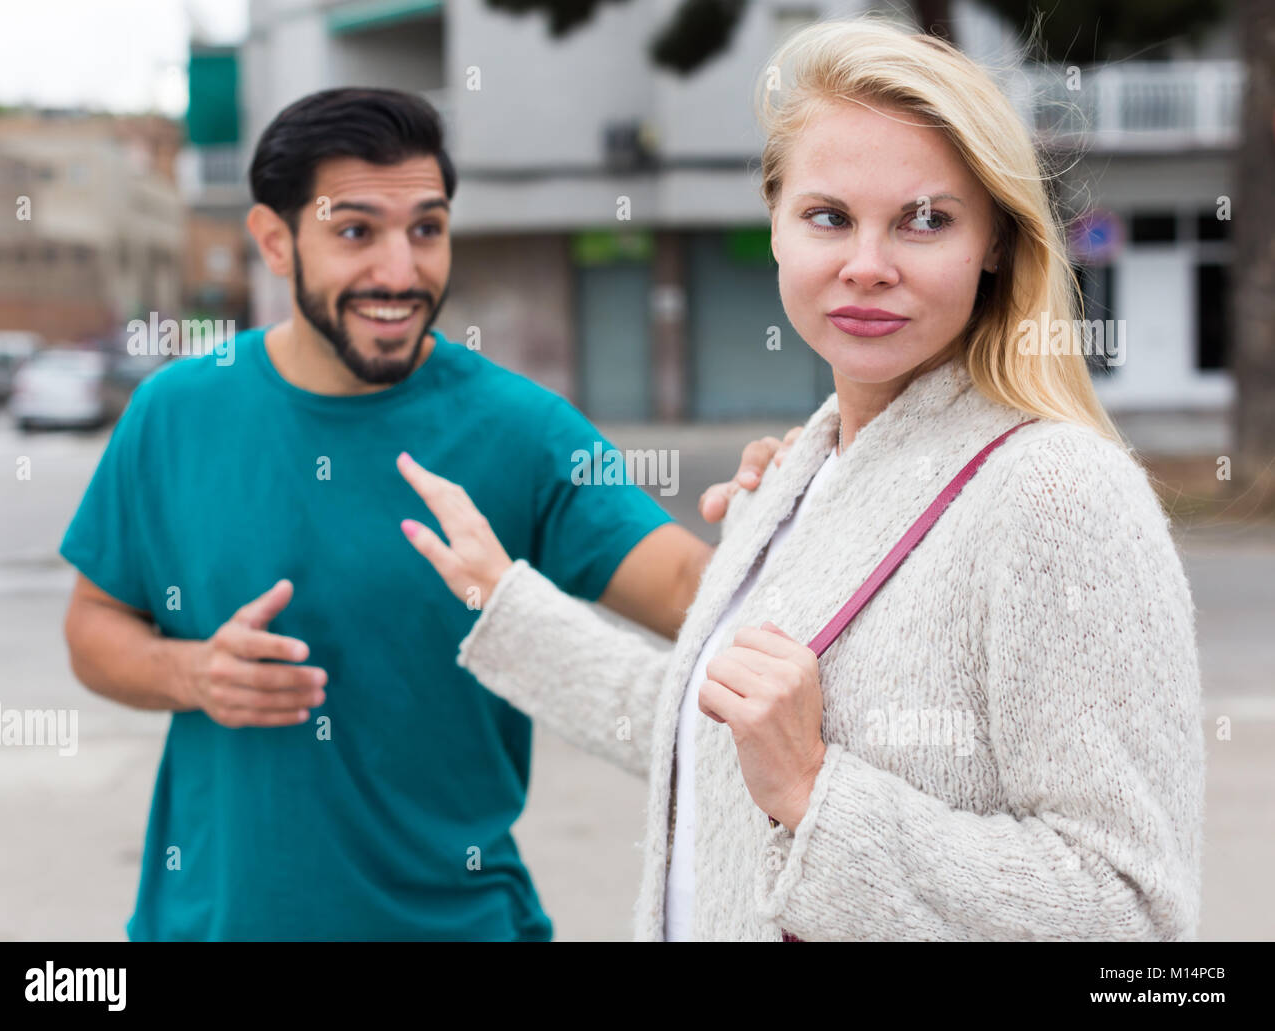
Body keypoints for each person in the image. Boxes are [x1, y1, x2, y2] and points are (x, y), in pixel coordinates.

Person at [399, 18, 1206, 941]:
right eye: (829, 217)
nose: (868, 265)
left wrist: (818, 793)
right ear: (776, 224)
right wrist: (502, 600)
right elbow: (704, 740)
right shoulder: (797, 474)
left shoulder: (1058, 492)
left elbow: (1132, 916)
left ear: (993, 242)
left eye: (926, 219)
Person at [59, 87, 793, 942]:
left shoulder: (521, 430)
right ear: (273, 241)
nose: (401, 272)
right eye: (355, 231)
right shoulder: (175, 413)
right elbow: (93, 626)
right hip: (210, 923)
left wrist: (781, 520)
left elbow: (688, 590)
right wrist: (193, 674)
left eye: (427, 228)